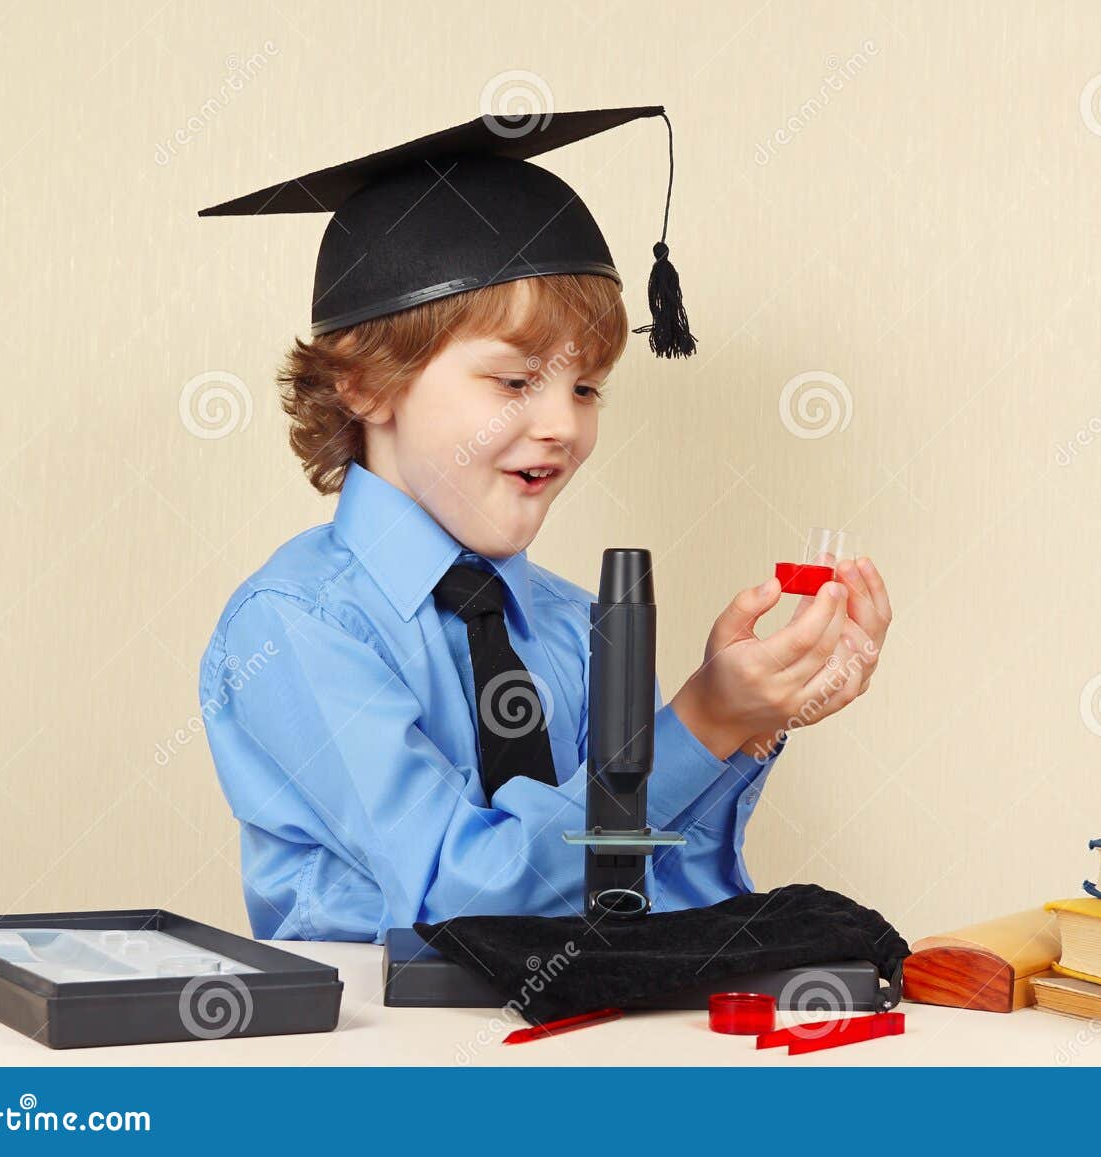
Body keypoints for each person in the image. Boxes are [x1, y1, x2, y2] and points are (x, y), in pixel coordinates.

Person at [196, 107, 892, 941]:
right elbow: (460, 894)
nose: (564, 424)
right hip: (374, 1055)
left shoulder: (575, 627)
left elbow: (647, 900)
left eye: (587, 388)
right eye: (517, 381)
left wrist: (743, 724)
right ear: (366, 383)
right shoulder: (298, 626)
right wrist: (697, 721)